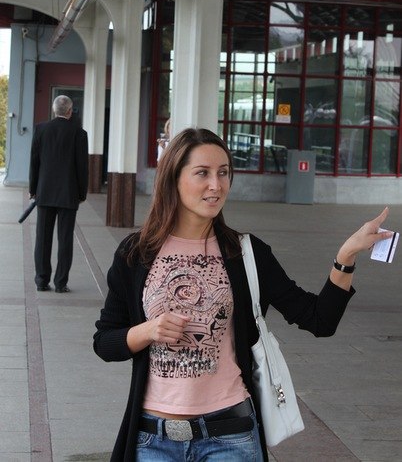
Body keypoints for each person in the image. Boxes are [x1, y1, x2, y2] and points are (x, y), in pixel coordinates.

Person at [93, 128, 393, 462]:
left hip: (229, 438)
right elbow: (104, 342)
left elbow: (319, 319)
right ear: (173, 179)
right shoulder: (136, 254)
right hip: (153, 441)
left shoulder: (246, 253)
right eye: (203, 173)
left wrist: (346, 255)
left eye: (223, 173)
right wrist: (148, 331)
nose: (216, 185)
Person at [29, 95, 88, 293]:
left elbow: (34, 162)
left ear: (54, 110)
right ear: (70, 111)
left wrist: (33, 189)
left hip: (44, 193)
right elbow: (82, 167)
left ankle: (41, 281)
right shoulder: (79, 133)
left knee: (42, 239)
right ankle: (61, 283)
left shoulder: (41, 129)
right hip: (68, 195)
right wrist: (81, 193)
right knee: (65, 240)